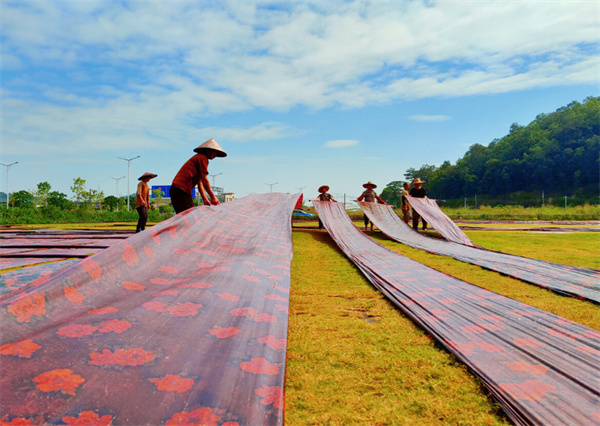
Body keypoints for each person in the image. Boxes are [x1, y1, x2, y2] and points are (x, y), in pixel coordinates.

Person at [171, 138, 226, 214]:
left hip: (179, 190)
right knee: (188, 216)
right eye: (215, 153)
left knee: (185, 216)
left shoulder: (199, 158)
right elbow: (205, 180)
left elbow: (200, 183)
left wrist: (205, 199)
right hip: (180, 189)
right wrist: (213, 197)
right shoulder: (202, 158)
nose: (215, 155)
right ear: (209, 151)